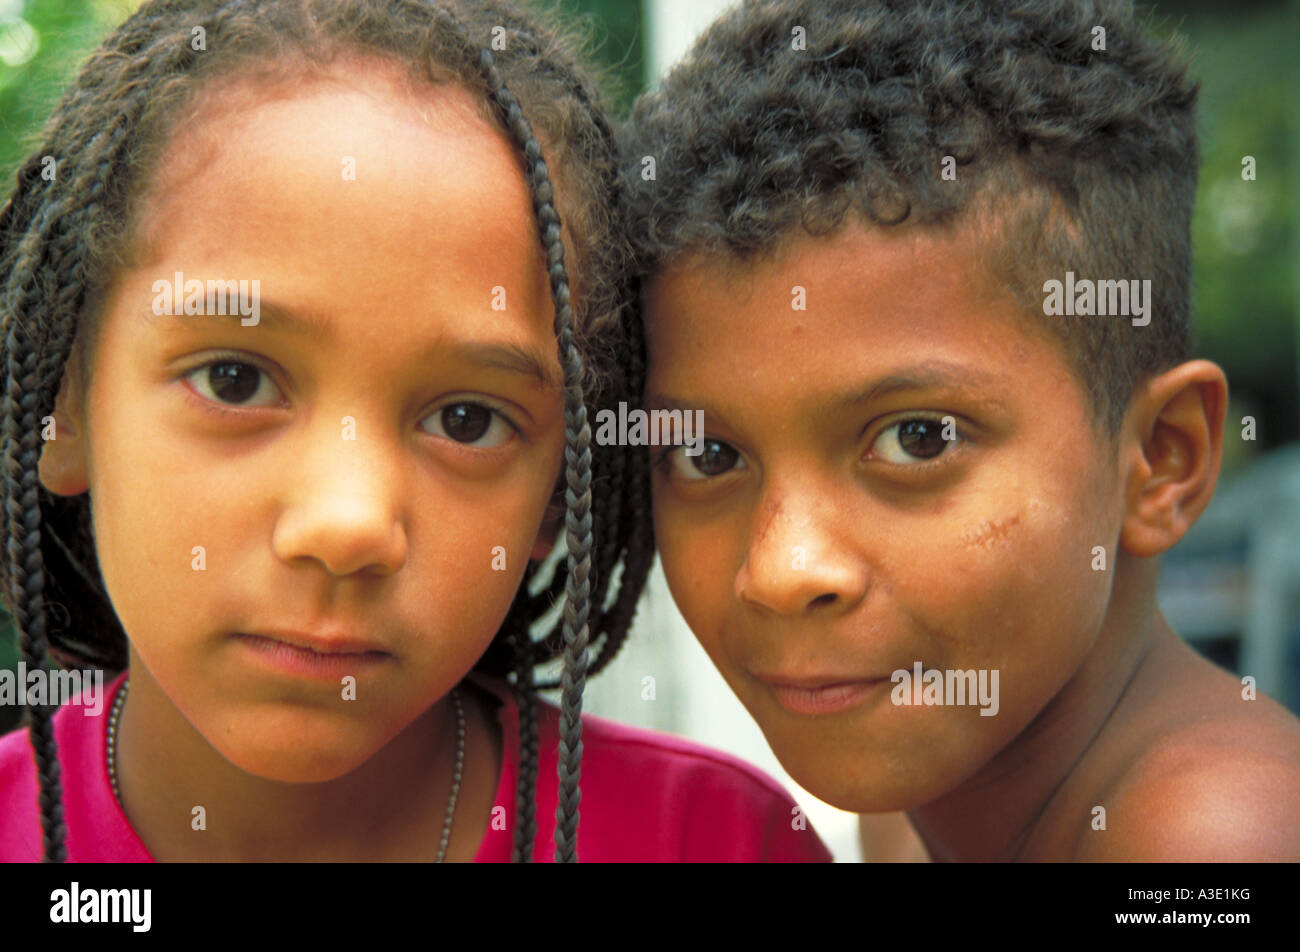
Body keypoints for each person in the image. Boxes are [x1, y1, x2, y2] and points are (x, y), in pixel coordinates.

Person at [0, 0, 831, 863]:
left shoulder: (712, 843)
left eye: (467, 422)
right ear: (65, 407)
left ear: (559, 492)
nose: (347, 525)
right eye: (234, 380)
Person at [620, 0, 1300, 860]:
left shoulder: (1216, 845)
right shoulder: (914, 805)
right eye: (707, 455)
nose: (784, 570)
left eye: (918, 440)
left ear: (1162, 459)